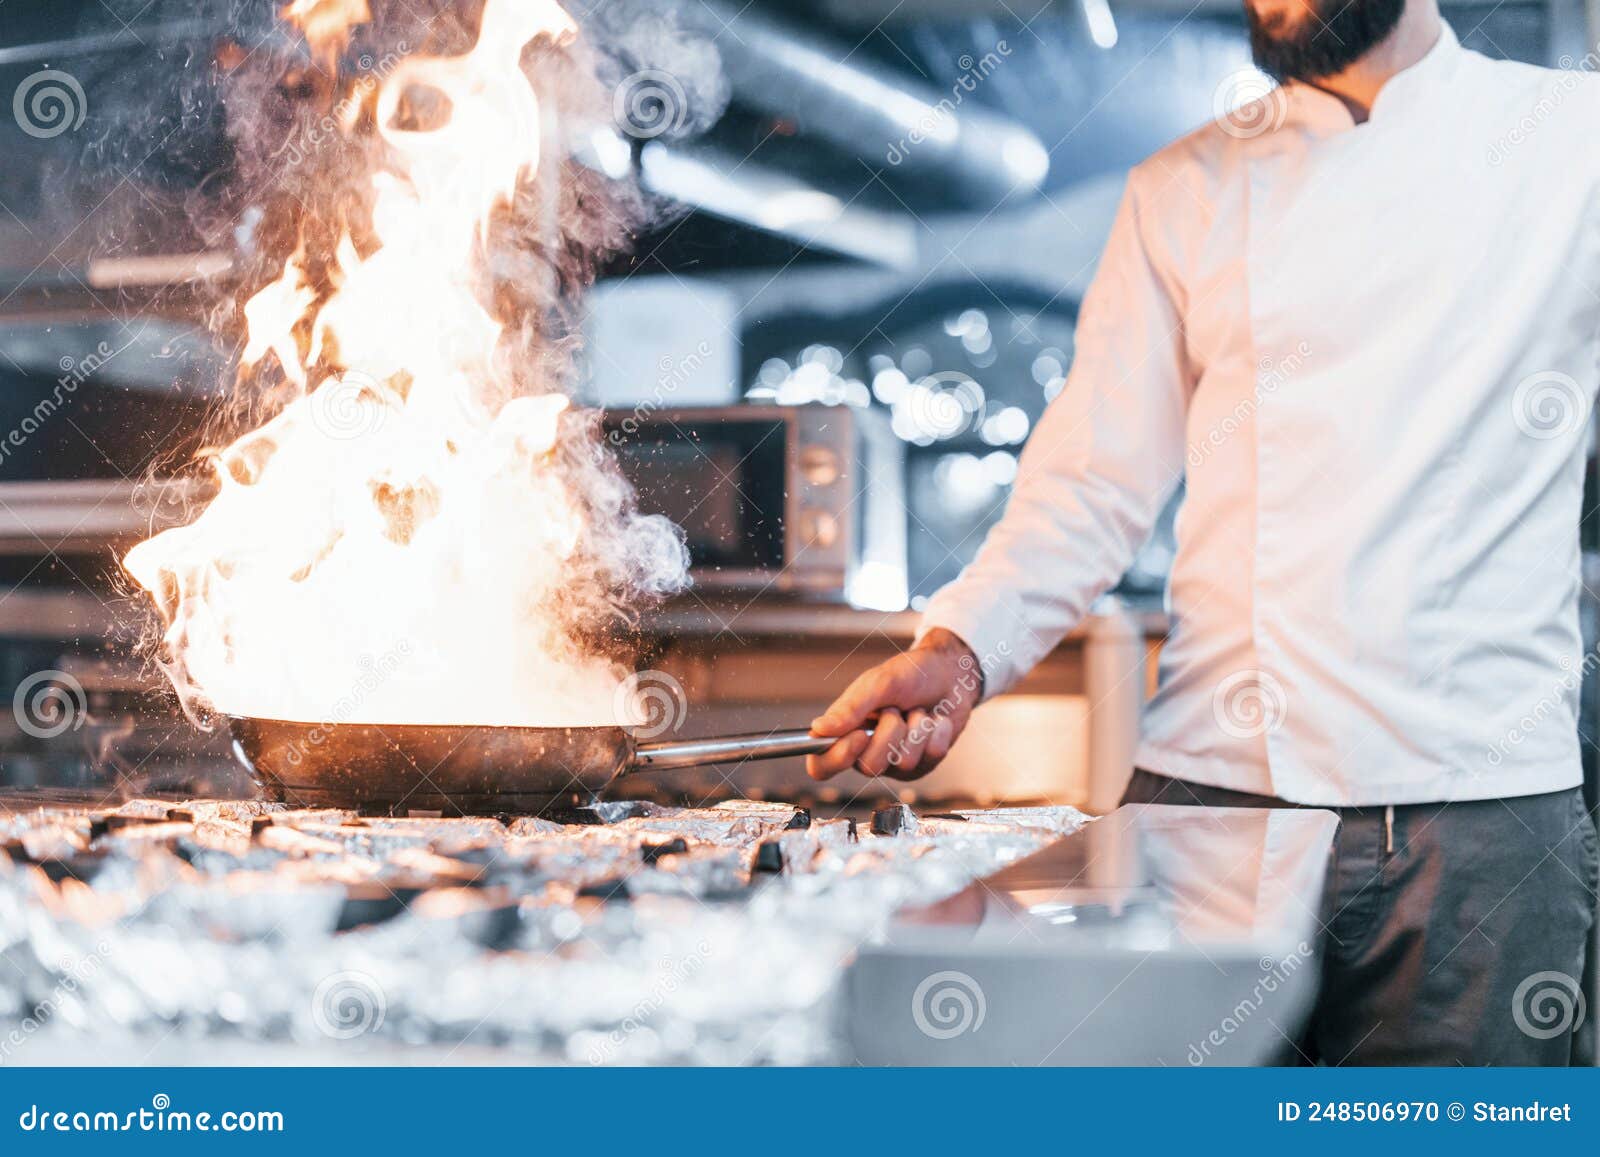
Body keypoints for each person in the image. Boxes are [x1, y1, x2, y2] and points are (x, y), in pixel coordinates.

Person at [807, 0, 1599, 1064]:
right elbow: (1090, 481)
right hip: (1211, 802)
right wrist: (961, 649)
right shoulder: (1180, 188)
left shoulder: (1569, 143)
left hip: (1479, 821)